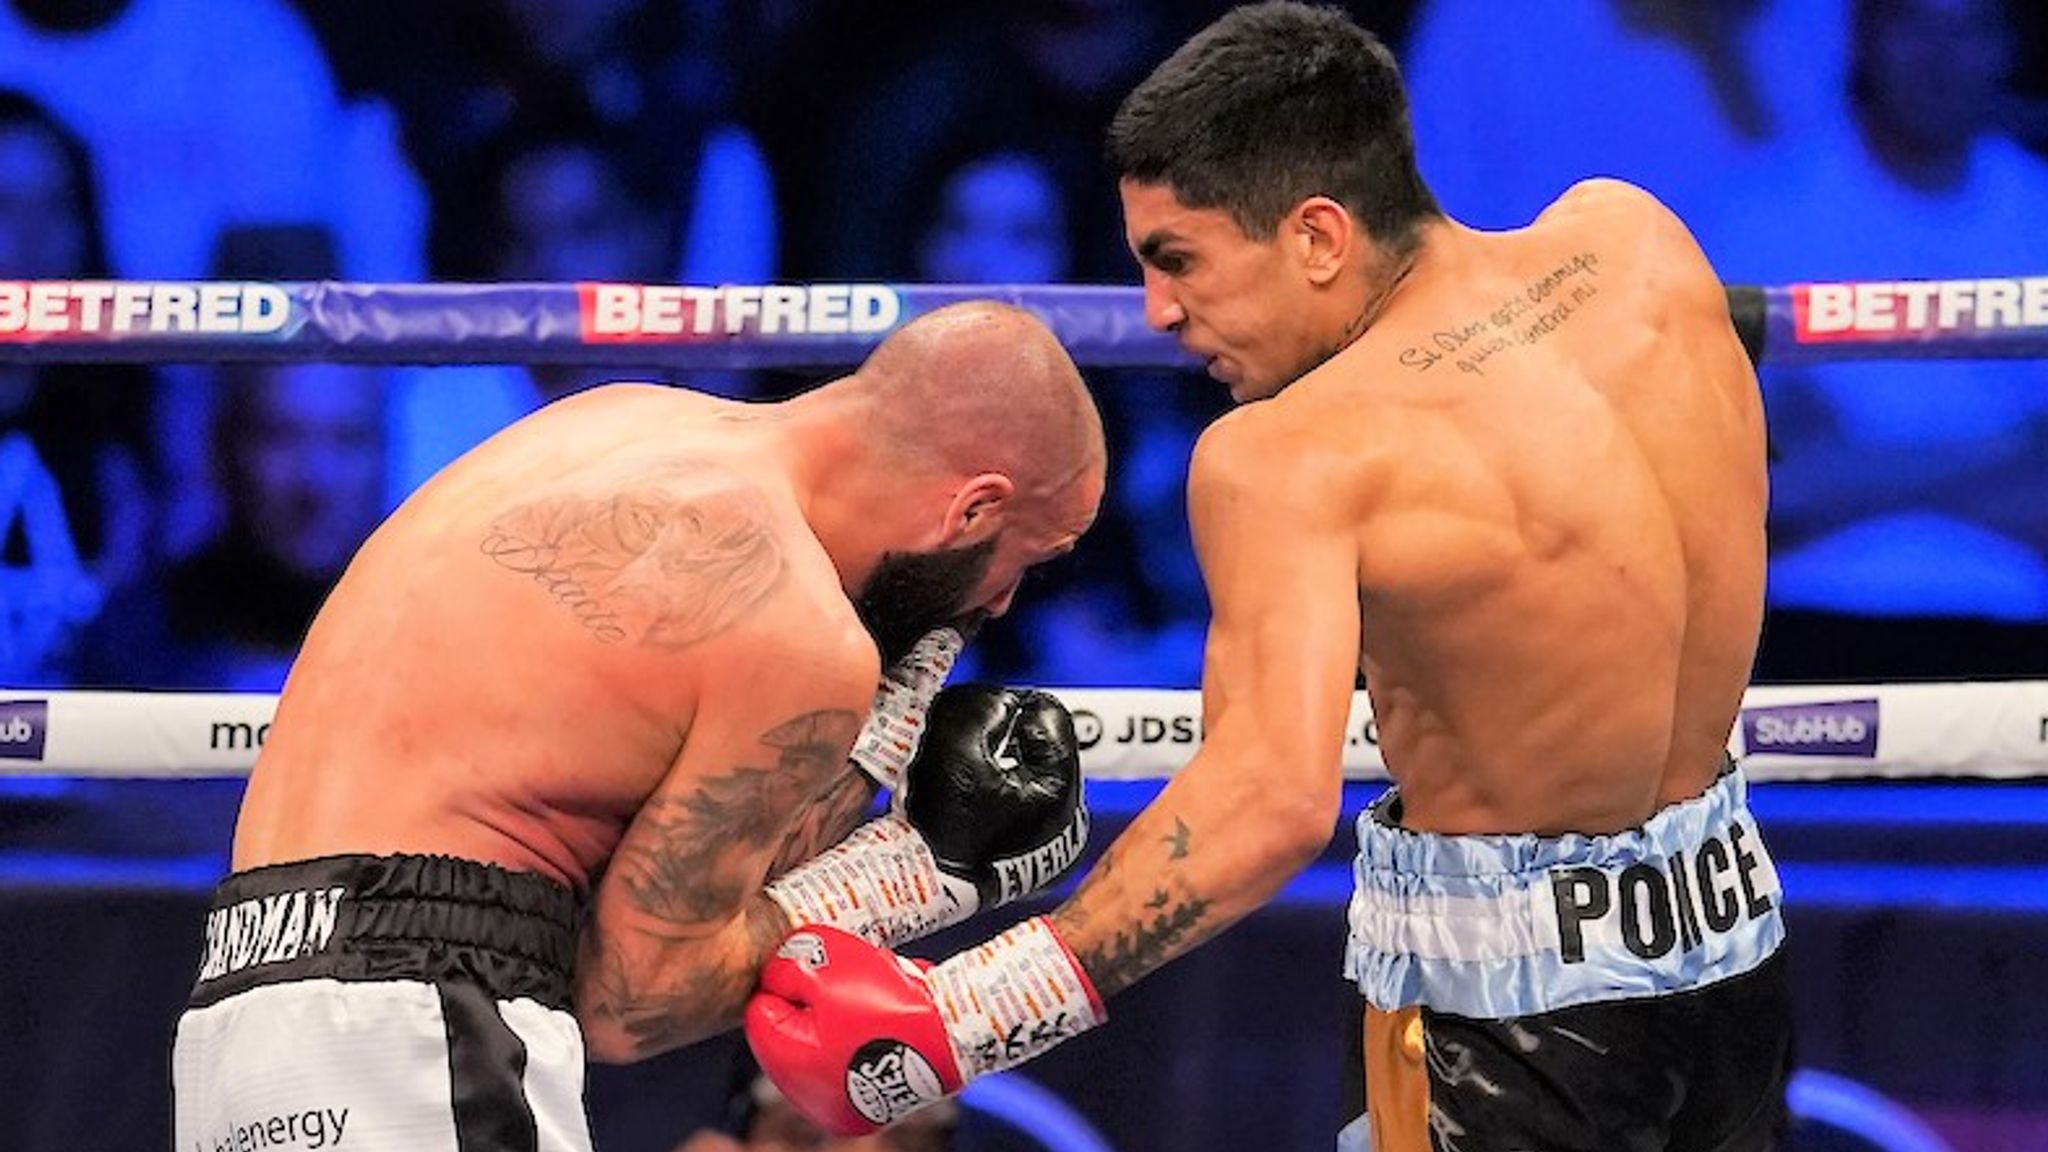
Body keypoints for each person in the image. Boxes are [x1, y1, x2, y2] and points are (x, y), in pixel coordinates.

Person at [743, 5, 1790, 1150]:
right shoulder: (1634, 240)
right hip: (1737, 968)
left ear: (1318, 237)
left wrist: (958, 1017)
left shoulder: (1291, 456)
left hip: (1521, 1034)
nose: (1156, 313)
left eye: (1179, 259)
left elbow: (1266, 805)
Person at [170, 300, 1107, 1151]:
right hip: (422, 1029)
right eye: (1031, 558)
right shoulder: (796, 630)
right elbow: (633, 1001)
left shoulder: (613, 417)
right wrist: (918, 875)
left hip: (242, 1004)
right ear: (974, 507)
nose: (1004, 598)